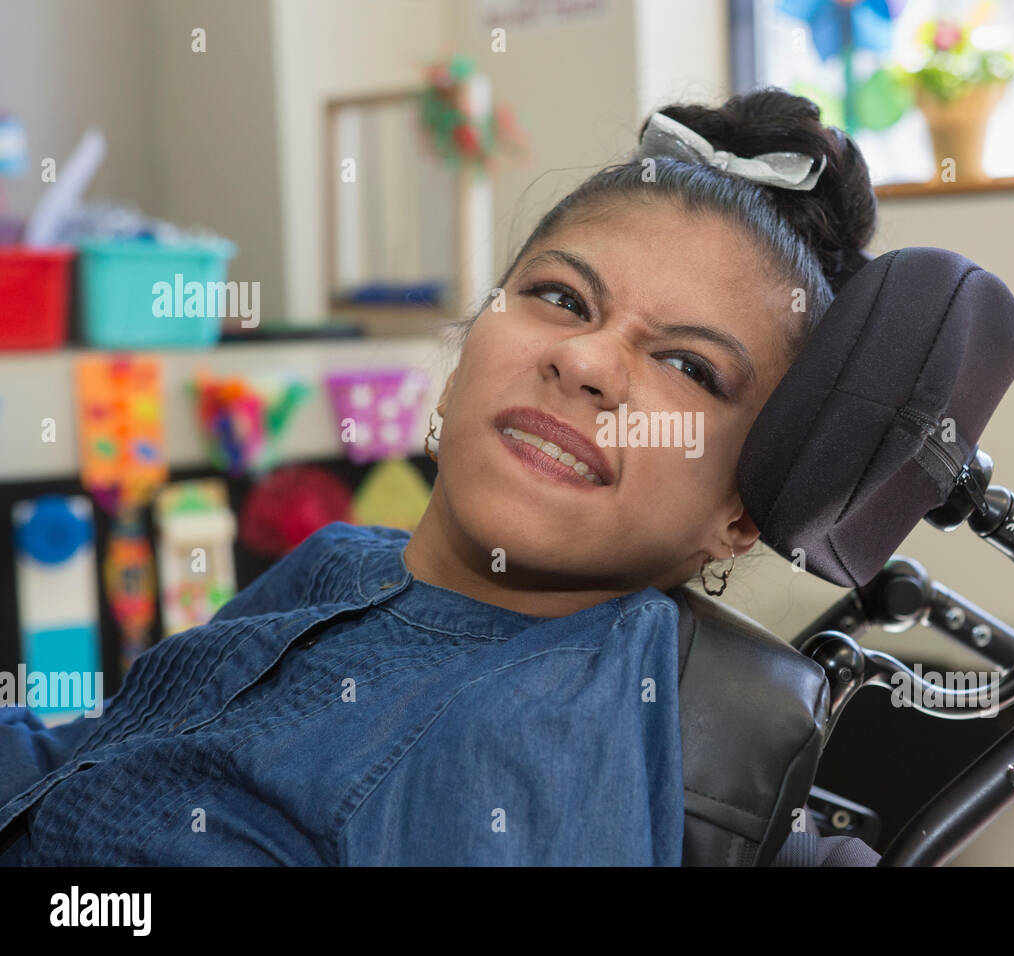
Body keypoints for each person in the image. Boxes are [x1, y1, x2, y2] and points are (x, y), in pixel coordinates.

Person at [0, 87, 879, 866]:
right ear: (461, 362)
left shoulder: (543, 728)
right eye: (563, 299)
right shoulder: (340, 561)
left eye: (689, 367)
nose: (587, 362)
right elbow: (89, 760)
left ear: (738, 514)